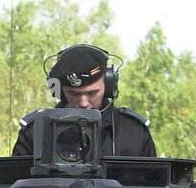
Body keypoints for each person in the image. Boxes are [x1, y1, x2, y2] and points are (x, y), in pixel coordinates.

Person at [13, 44, 156, 158]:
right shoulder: (36, 130)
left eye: (92, 93)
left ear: (108, 85)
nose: (83, 103)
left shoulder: (134, 132)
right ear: (58, 90)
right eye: (73, 94)